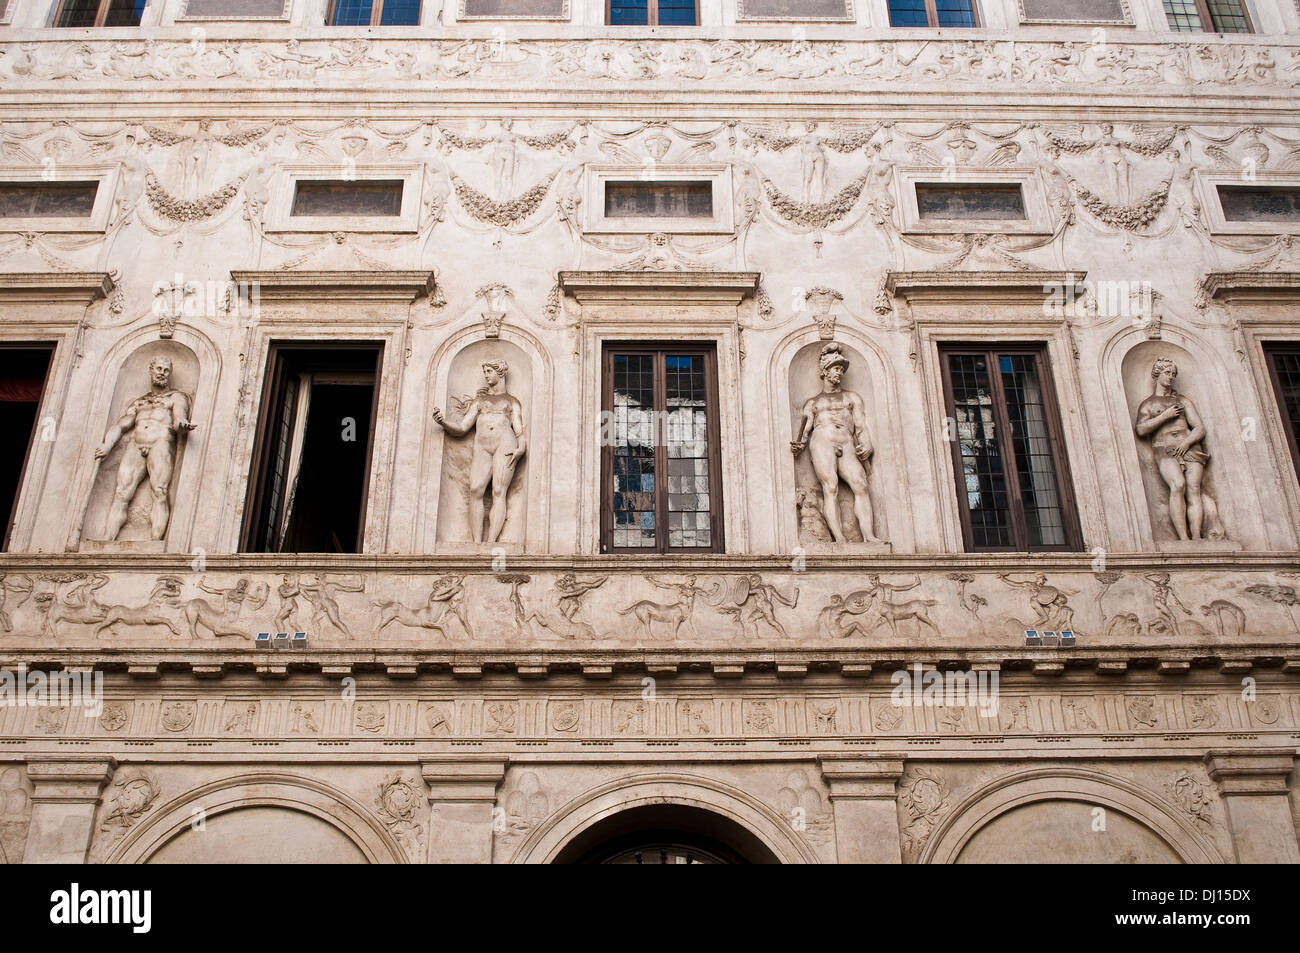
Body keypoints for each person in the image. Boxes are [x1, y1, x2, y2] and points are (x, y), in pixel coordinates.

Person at [94, 356, 196, 541]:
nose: (162, 373)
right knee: (122, 492)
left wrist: (182, 424)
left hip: (160, 443)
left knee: (159, 491)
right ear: (151, 370)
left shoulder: (175, 397)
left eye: (165, 370)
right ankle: (107, 539)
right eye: (158, 368)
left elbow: (178, 417)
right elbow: (121, 425)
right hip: (136, 444)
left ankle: (155, 542)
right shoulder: (140, 402)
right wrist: (107, 445)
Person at [791, 343, 881, 543]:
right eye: (835, 369)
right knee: (830, 487)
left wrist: (866, 443)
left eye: (841, 369)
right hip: (822, 441)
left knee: (860, 484)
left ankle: (869, 535)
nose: (839, 373)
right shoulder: (813, 403)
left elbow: (861, 426)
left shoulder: (852, 397)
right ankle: (838, 537)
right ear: (825, 371)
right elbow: (805, 432)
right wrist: (800, 444)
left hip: (846, 441)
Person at [433, 358, 527, 544]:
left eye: (489, 371)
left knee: (499, 491)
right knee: (475, 489)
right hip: (482, 445)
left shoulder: (511, 401)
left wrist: (521, 448)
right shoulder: (479, 401)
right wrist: (443, 422)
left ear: (500, 373)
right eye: (484, 372)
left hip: (505, 445)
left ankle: (491, 542)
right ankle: (477, 542)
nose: (486, 375)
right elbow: (462, 428)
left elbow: (519, 429)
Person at [1134, 357, 1212, 540]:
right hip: (1164, 448)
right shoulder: (1149, 404)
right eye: (1167, 373)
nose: (1171, 377)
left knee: (1194, 488)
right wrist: (1165, 416)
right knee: (1178, 485)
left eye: (1173, 374)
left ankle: (1197, 537)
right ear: (1157, 374)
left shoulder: (1182, 400)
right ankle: (1183, 538)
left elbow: (1199, 427)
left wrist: (1187, 442)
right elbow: (1141, 429)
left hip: (1189, 447)